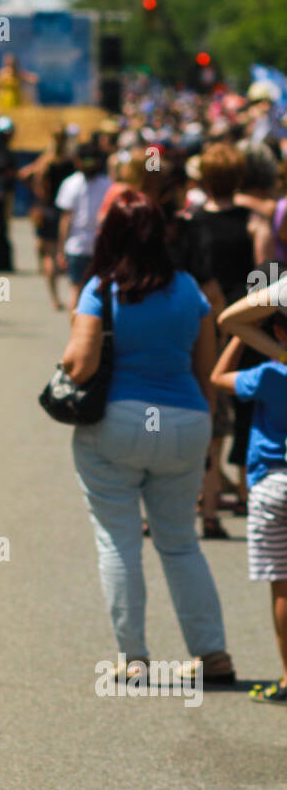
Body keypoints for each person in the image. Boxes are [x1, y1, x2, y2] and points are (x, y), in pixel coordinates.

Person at [63, 190, 233, 685]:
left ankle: (134, 658)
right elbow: (205, 373)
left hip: (117, 423)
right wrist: (203, 440)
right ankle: (212, 653)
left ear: (110, 235)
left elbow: (79, 366)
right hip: (185, 422)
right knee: (181, 544)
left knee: (118, 542)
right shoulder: (189, 291)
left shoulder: (102, 289)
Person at [186, 144, 271, 537]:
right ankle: (244, 487)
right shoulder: (255, 222)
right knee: (249, 406)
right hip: (244, 327)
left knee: (208, 406)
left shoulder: (192, 221)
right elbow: (266, 279)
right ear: (239, 178)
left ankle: (207, 494)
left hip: (201, 326)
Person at [215, 282, 287, 702]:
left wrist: (241, 337)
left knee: (281, 586)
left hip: (271, 483)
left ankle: (286, 677)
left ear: (277, 333)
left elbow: (217, 378)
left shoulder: (270, 374)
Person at [19, 127, 75, 310]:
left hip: (47, 207)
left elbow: (24, 174)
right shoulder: (71, 162)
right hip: (65, 209)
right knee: (67, 252)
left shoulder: (46, 161)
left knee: (49, 254)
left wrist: (37, 191)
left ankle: (55, 297)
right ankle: (73, 294)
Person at [56, 142, 112, 312]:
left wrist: (61, 249)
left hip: (83, 247)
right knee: (93, 291)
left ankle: (77, 330)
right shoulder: (107, 184)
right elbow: (66, 219)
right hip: (90, 247)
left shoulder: (70, 183)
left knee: (77, 289)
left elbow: (65, 220)